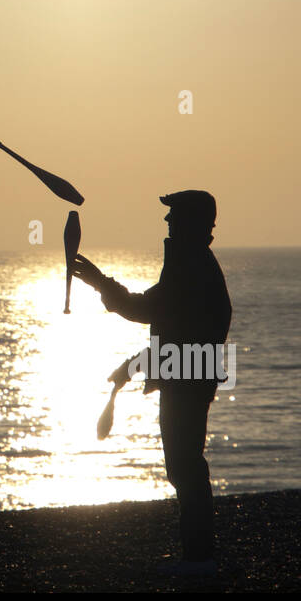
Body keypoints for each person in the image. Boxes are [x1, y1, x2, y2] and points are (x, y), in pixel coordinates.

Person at [73, 190, 232, 577]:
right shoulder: (191, 262)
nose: (167, 221)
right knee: (185, 466)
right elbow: (175, 325)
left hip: (188, 379)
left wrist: (99, 282)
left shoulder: (190, 264)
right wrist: (134, 366)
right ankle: (198, 557)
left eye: (173, 215)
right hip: (189, 374)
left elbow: (147, 310)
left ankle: (199, 561)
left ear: (191, 222)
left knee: (185, 467)